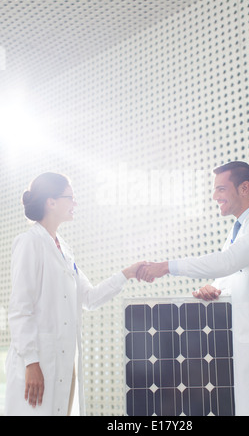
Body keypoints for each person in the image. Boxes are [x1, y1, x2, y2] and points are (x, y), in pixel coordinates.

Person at [137, 161, 249, 416]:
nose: (215, 196)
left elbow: (228, 262)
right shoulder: (238, 231)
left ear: (244, 188)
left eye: (221, 189)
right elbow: (231, 273)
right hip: (244, 346)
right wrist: (212, 288)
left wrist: (167, 266)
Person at [5, 172, 147, 416]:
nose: (75, 203)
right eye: (70, 197)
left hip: (64, 364)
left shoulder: (64, 250)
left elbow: (89, 298)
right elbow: (20, 308)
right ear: (51, 202)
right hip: (38, 363)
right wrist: (31, 362)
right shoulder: (29, 242)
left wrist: (127, 274)